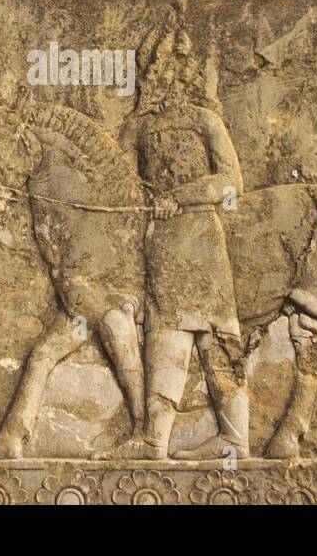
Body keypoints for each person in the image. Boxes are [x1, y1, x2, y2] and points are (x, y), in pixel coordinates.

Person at [105, 25, 249, 460]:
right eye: (159, 64)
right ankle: (154, 440)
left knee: (216, 337)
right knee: (166, 337)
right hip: (159, 246)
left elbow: (231, 184)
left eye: (177, 63)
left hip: (202, 239)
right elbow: (119, 188)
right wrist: (147, 203)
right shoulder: (136, 128)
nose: (167, 72)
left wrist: (178, 197)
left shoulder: (206, 121)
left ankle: (235, 439)